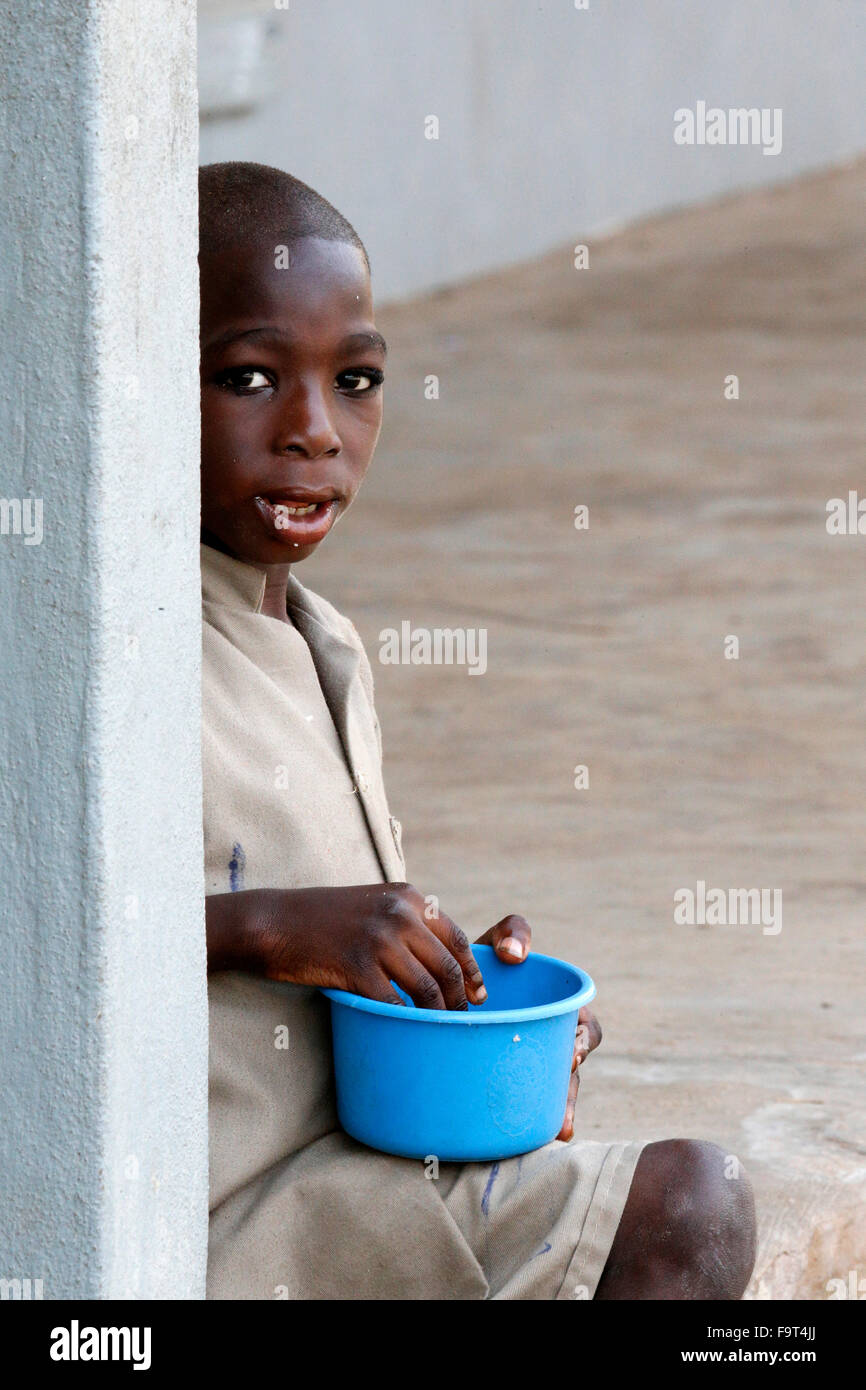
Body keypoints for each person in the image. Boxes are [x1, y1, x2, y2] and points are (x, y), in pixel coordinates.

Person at [199, 161, 757, 1300]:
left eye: (353, 380)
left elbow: (332, 943)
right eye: (249, 377)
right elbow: (44, 943)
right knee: (681, 1206)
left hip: (355, 1165)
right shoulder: (96, 652)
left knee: (696, 1199)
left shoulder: (325, 641)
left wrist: (457, 999)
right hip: (210, 1217)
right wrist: (268, 925)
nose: (314, 432)